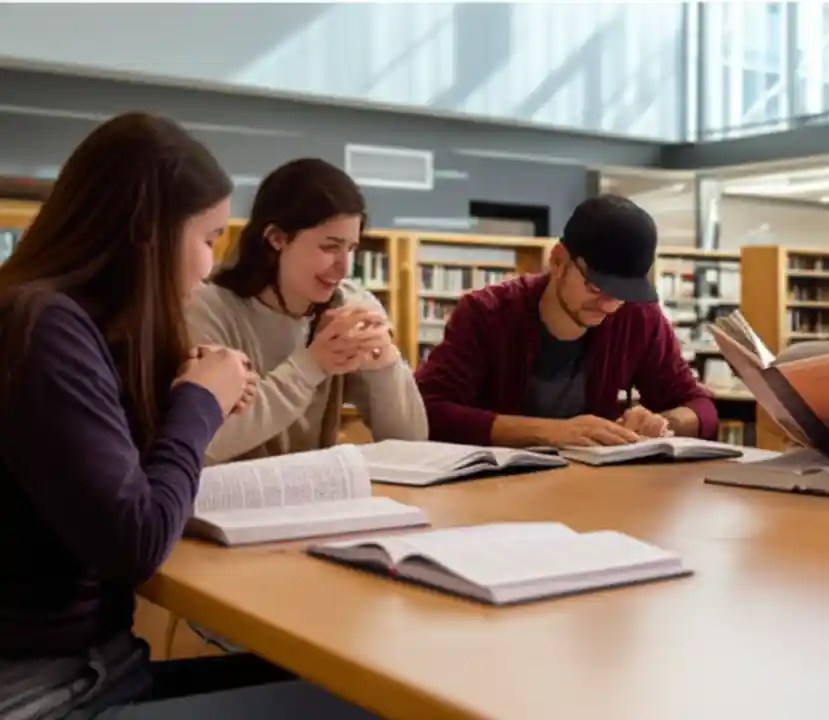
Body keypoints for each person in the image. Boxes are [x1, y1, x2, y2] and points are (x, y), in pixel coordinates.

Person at [0, 113, 373, 717]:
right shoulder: (44, 328)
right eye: (207, 238)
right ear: (148, 234)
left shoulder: (60, 321)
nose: (209, 266)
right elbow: (137, 541)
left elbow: (116, 479)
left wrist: (184, 399)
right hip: (54, 686)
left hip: (89, 664)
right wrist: (199, 404)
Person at [416, 194, 718, 448]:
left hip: (592, 491)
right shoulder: (486, 313)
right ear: (558, 261)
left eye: (622, 293)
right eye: (596, 287)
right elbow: (428, 411)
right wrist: (551, 433)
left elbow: (700, 406)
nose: (610, 305)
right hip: (495, 490)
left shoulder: (638, 316)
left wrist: (665, 423)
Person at [187, 158, 428, 465]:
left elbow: (411, 444)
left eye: (352, 249)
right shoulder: (207, 308)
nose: (344, 268)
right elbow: (204, 442)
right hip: (225, 502)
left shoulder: (350, 306)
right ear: (277, 238)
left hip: (314, 498)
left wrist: (385, 364)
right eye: (330, 247)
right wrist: (313, 364)